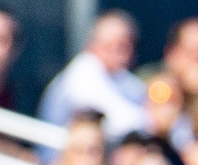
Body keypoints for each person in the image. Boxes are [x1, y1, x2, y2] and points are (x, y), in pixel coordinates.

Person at [38, 10, 147, 139]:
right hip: (59, 155)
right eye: (114, 45)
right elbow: (119, 121)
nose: (124, 52)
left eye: (128, 45)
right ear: (92, 44)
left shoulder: (121, 77)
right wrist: (156, 119)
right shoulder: (82, 72)